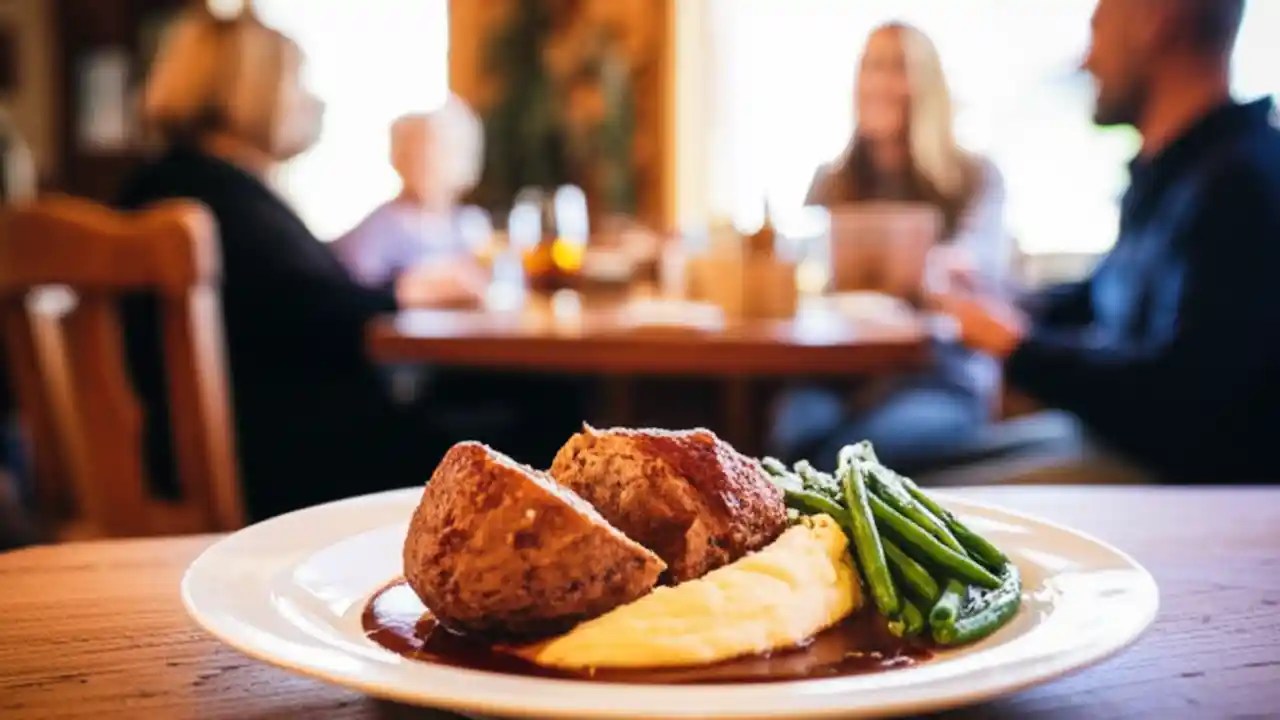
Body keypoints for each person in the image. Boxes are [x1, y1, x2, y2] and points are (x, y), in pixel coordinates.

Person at [118, 9, 479, 519]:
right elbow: (303, 306)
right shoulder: (217, 198)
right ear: (249, 92)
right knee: (531, 422)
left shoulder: (178, 185)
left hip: (256, 448)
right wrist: (402, 293)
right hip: (283, 469)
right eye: (296, 83)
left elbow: (282, 296)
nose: (315, 101)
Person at [938, 0, 1280, 483]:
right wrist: (1004, 299)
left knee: (920, 499)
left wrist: (1018, 348)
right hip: (1114, 446)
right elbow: (1100, 295)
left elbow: (1186, 406)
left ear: (1154, 20)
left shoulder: (1243, 185)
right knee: (909, 463)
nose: (1085, 59)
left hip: (1187, 486)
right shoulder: (1175, 173)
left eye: (1097, 27)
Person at [770, 22, 1011, 472]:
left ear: (928, 84)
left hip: (937, 377)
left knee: (853, 460)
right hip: (837, 372)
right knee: (795, 438)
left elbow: (976, 262)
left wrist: (942, 270)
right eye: (870, 67)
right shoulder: (831, 180)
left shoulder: (975, 177)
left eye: (896, 67)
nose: (878, 82)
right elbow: (804, 274)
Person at [333, 103, 490, 292]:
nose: (431, 162)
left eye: (445, 151)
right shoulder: (375, 232)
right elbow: (357, 297)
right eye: (419, 153)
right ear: (397, 158)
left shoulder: (473, 225)